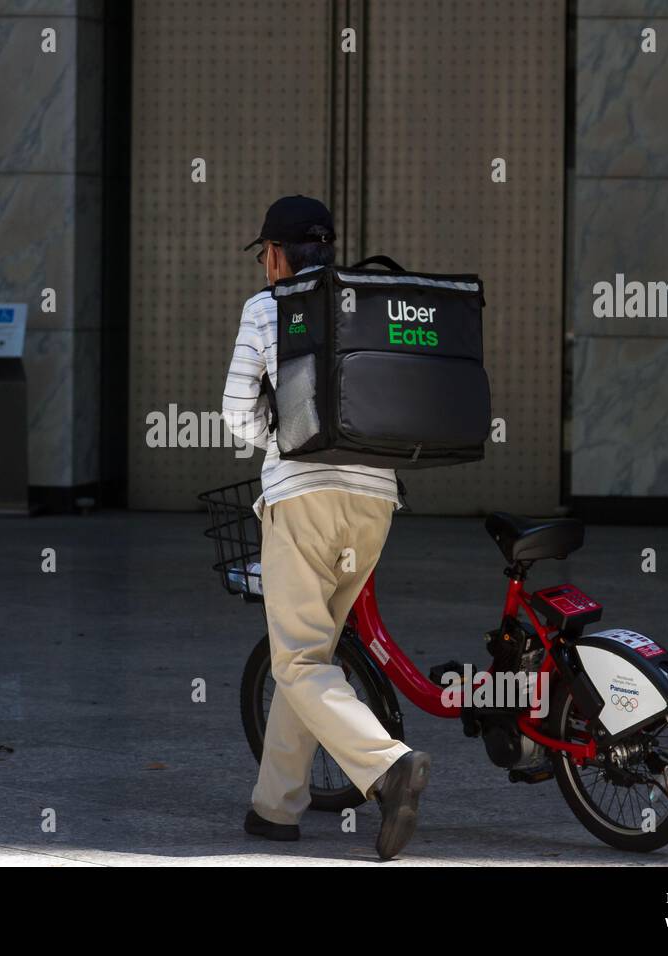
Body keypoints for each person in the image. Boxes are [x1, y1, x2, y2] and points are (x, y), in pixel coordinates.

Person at [221, 195, 431, 861]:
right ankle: (274, 807)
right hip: (373, 506)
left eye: (263, 254)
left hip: (303, 501)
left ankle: (388, 766)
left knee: (301, 659)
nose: (263, 266)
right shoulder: (365, 303)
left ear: (279, 255)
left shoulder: (268, 308)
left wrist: (276, 438)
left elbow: (233, 413)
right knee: (309, 655)